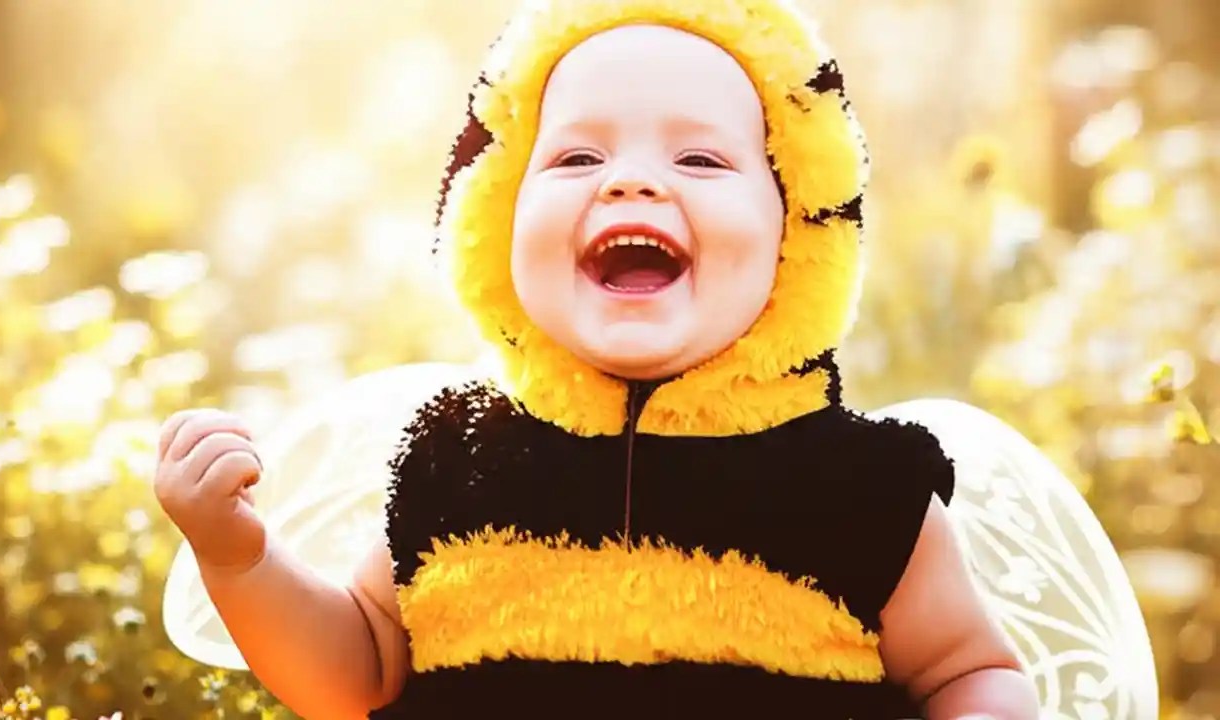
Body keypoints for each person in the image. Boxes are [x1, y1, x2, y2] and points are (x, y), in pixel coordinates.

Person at [154, 1, 1044, 717]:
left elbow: (969, 672)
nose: (632, 180)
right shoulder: (452, 461)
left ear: (797, 231)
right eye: (578, 154)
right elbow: (360, 671)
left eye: (700, 157)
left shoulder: (864, 490)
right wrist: (240, 561)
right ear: (496, 215)